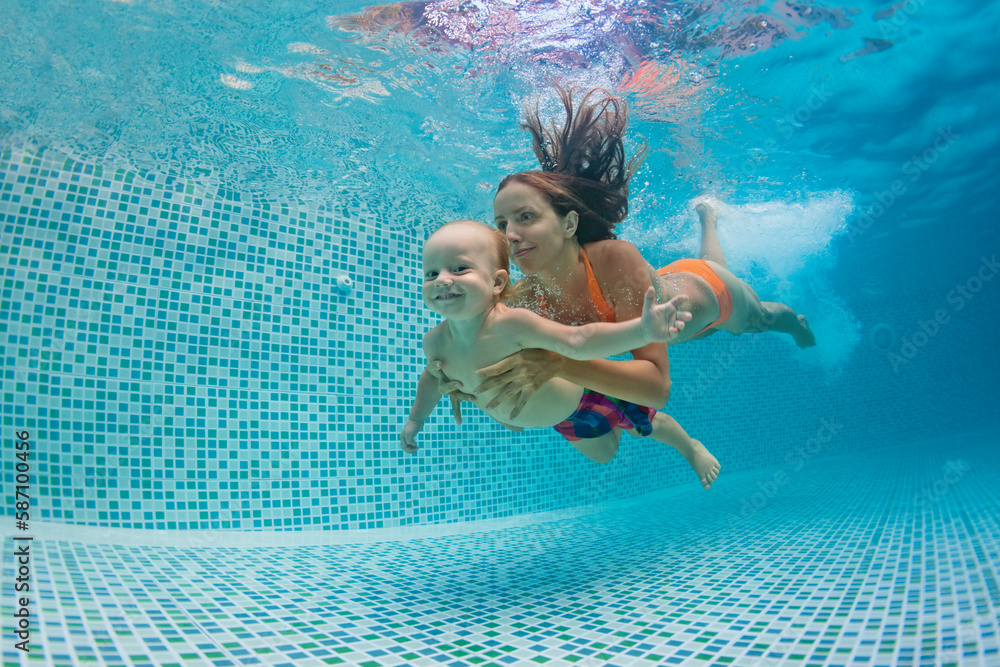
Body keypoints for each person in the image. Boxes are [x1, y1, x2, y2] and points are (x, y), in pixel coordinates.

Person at [436, 86, 814, 468]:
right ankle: (708, 218)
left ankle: (793, 320)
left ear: (568, 224)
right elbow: (488, 362)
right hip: (659, 306)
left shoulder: (615, 259)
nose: (510, 234)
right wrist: (466, 383)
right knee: (708, 307)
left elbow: (657, 388)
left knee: (756, 320)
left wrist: (559, 364)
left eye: (526, 217)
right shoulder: (523, 298)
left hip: (707, 292)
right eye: (501, 224)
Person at [400, 220, 724, 488]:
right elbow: (431, 379)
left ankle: (690, 448)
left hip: (587, 394)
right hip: (560, 418)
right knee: (604, 455)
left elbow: (578, 339)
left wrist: (642, 330)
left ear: (498, 282)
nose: (442, 280)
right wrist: (416, 420)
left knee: (646, 424)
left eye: (459, 269)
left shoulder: (512, 323)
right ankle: (617, 425)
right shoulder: (435, 342)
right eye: (431, 273)